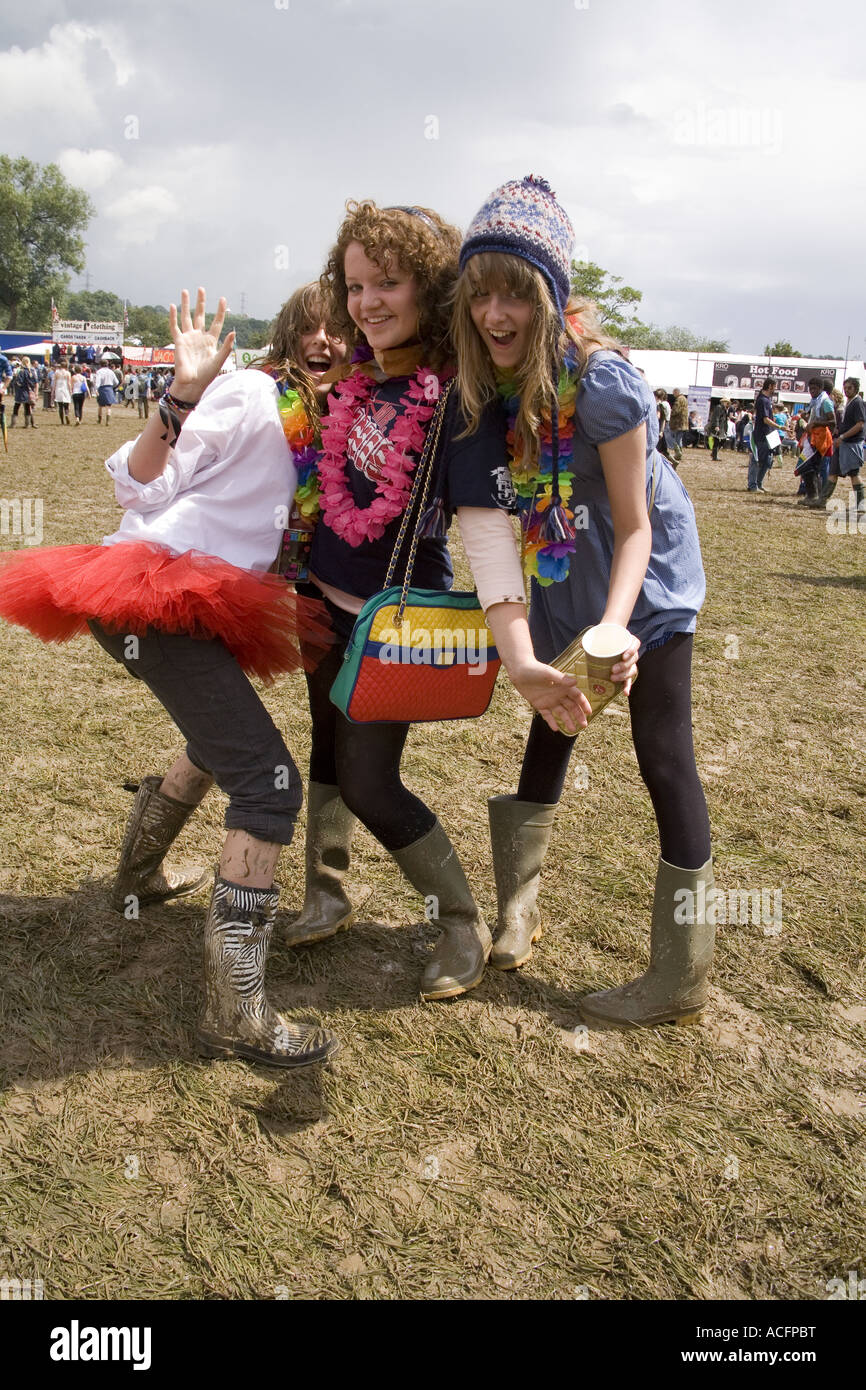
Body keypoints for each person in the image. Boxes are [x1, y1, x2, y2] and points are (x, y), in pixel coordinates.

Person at [0, 289, 339, 1070]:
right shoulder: (255, 391)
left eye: (343, 330)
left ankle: (139, 874)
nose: (327, 340)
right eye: (313, 327)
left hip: (201, 602)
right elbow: (140, 480)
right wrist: (183, 392)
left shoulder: (328, 425)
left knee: (219, 741)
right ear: (289, 337)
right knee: (270, 783)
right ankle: (235, 1009)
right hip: (155, 595)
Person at [284, 200, 581, 1001]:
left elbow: (487, 536)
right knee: (324, 753)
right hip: (324, 605)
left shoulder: (459, 403)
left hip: (396, 623)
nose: (367, 302)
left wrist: (518, 657)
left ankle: (459, 920)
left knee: (373, 781)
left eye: (387, 282)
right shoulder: (351, 381)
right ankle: (326, 889)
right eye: (352, 286)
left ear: (432, 289)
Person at [452, 174, 713, 1029]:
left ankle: (681, 972)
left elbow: (636, 526)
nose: (495, 313)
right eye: (480, 292)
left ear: (548, 297)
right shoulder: (486, 385)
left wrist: (617, 622)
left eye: (514, 295)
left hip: (645, 575)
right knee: (552, 719)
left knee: (662, 753)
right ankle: (517, 913)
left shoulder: (602, 385)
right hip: (566, 572)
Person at [824, 377, 866, 510]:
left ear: (856, 388)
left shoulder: (857, 403)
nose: (847, 391)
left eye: (850, 388)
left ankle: (861, 503)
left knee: (854, 473)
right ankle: (822, 499)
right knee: (834, 470)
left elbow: (860, 425)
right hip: (843, 442)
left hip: (852, 443)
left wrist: (842, 436)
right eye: (845, 388)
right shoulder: (849, 402)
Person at [796, 377, 835, 506]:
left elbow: (832, 421)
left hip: (820, 438)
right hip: (812, 437)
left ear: (820, 388)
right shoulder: (815, 401)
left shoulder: (825, 402)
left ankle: (815, 496)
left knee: (811, 467)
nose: (812, 391)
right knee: (808, 467)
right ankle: (812, 495)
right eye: (810, 388)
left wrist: (815, 423)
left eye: (814, 388)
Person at [749, 376, 777, 493]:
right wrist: (780, 427)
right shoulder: (762, 400)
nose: (775, 389)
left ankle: (759, 483)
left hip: (770, 433)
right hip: (763, 434)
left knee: (768, 460)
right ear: (770, 386)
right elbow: (765, 419)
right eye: (774, 387)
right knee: (758, 460)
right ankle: (753, 485)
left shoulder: (767, 400)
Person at [11, 357, 38, 428]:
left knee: (16, 407)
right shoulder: (32, 371)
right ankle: (27, 424)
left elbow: (18, 382)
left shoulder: (21, 371)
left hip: (21, 391)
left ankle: (13, 424)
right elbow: (35, 382)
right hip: (29, 391)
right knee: (27, 407)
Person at [93, 359, 118, 424]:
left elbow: (97, 382)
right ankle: (107, 420)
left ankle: (99, 419)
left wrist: (96, 389)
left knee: (100, 405)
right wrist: (112, 387)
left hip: (101, 388)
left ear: (100, 364)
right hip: (109, 388)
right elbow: (116, 382)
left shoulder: (99, 372)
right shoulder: (111, 371)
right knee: (108, 406)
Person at [51, 358, 73, 425]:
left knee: (60, 406)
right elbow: (69, 383)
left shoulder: (57, 373)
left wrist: (52, 391)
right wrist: (70, 391)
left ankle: (62, 421)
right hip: (65, 389)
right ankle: (66, 414)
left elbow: (54, 383)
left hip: (58, 389)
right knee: (66, 405)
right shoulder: (68, 373)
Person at [669, 388, 688, 462]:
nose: (673, 395)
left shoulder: (678, 400)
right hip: (683, 423)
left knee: (676, 439)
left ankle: (678, 453)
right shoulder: (684, 399)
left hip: (678, 423)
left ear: (676, 392)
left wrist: (671, 412)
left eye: (673, 393)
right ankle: (679, 453)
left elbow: (675, 410)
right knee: (679, 438)